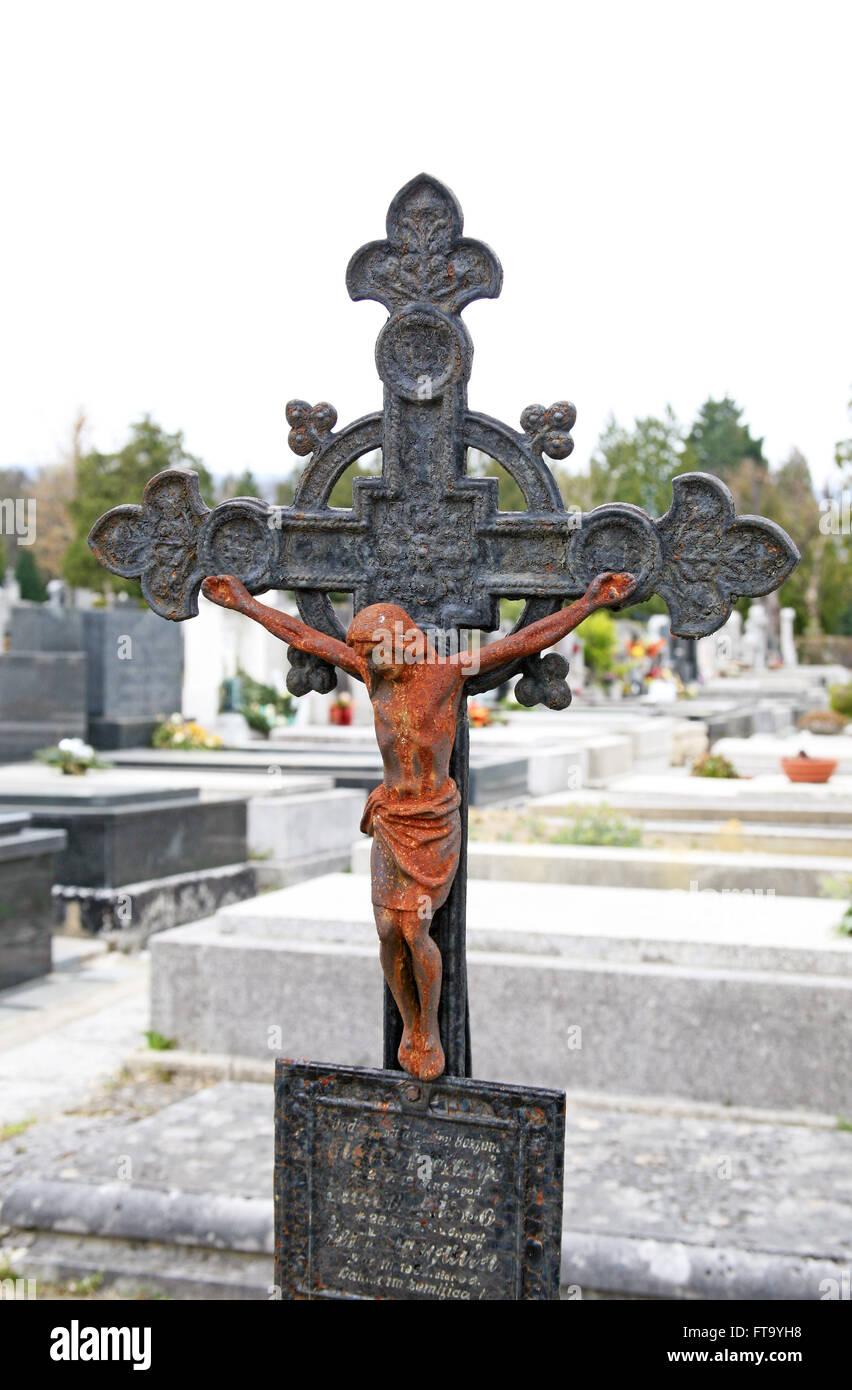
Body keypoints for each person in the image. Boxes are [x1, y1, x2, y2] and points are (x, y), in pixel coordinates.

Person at [202, 570, 636, 1079]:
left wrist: (589, 602)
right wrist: (243, 603)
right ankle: (409, 1022)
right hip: (391, 816)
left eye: (373, 651)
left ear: (403, 641)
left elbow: (524, 641)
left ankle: (426, 1026)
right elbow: (306, 637)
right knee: (387, 929)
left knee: (415, 927)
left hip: (432, 819)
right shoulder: (373, 677)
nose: (364, 661)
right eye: (360, 653)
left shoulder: (450, 673)